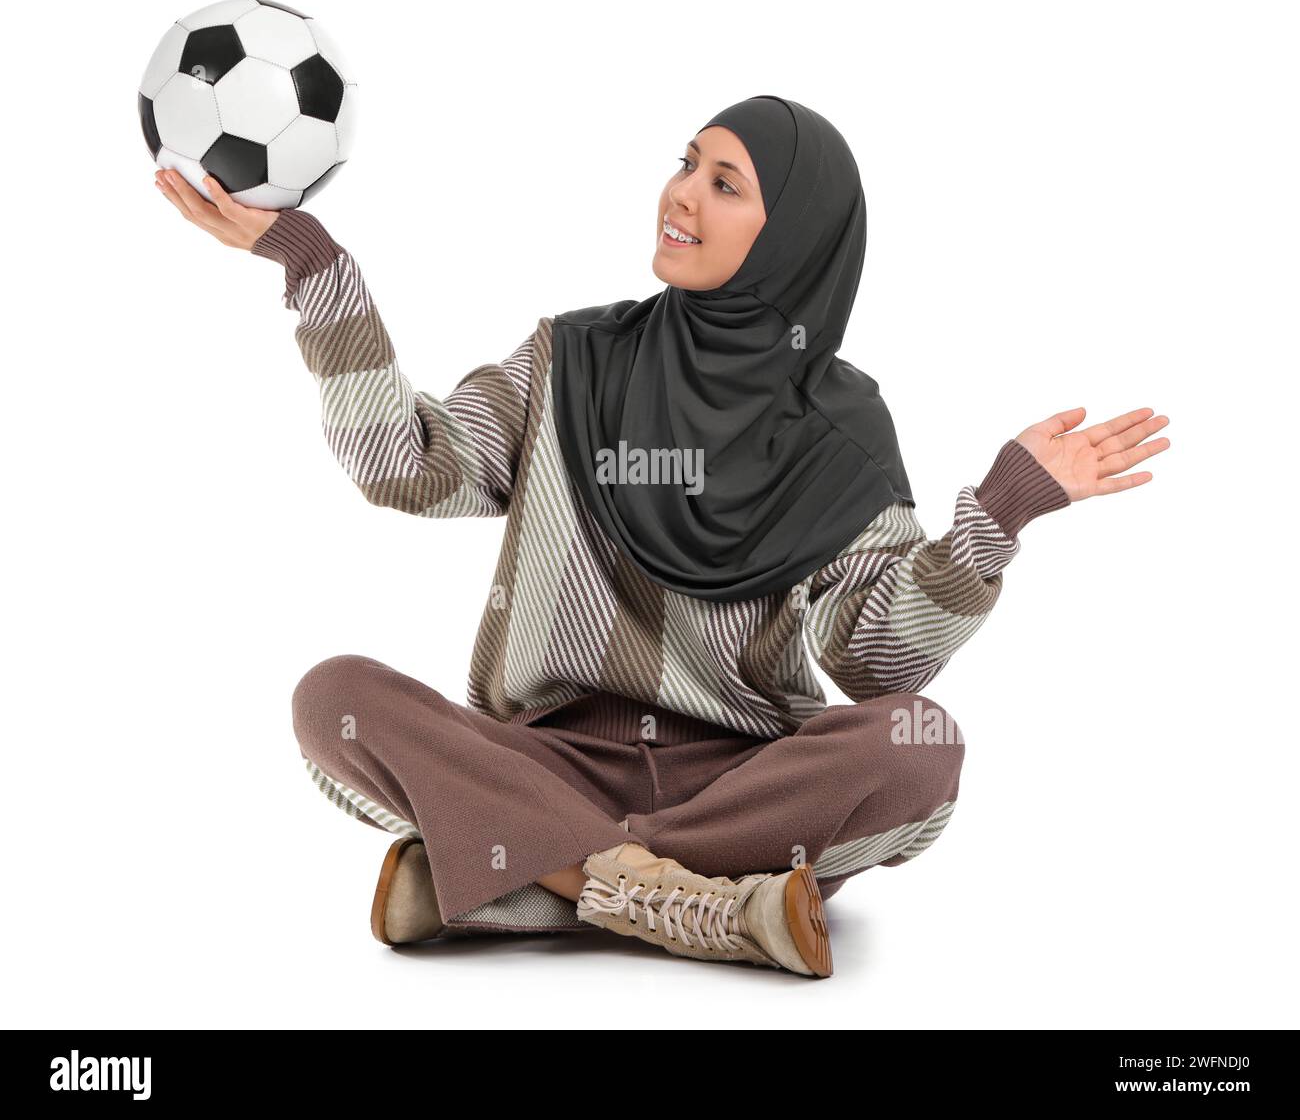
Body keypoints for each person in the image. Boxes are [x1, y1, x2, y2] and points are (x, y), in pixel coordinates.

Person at [153, 95, 1170, 979]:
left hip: (743, 779)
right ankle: (704, 907)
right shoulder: (570, 361)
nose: (680, 194)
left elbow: (874, 664)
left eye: (726, 183)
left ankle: (529, 876)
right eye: (686, 162)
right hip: (539, 758)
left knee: (921, 747)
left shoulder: (840, 432)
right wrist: (316, 270)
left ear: (794, 238)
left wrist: (995, 519)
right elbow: (404, 466)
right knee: (335, 699)